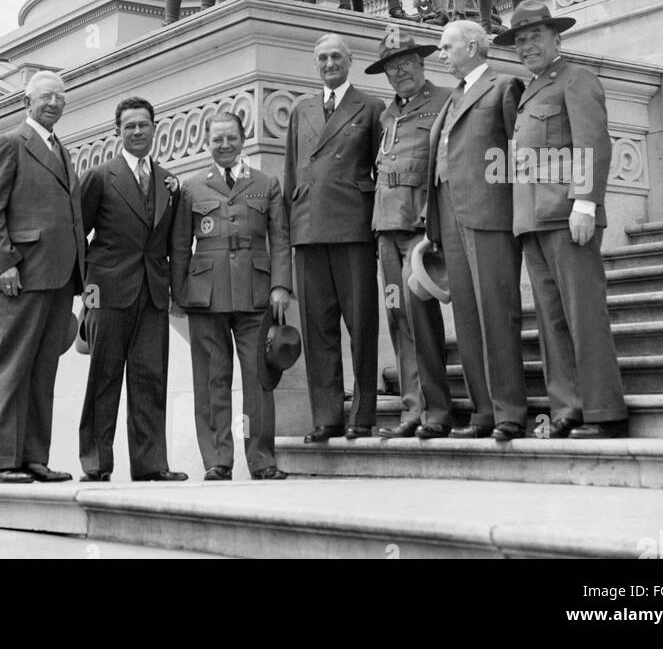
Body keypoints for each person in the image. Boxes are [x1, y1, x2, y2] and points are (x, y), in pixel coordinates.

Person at [496, 2, 628, 439]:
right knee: (552, 320)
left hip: (568, 216)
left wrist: (586, 203)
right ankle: (567, 407)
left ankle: (604, 412)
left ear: (557, 38)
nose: (527, 45)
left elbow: (593, 142)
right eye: (520, 39)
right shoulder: (531, 89)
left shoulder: (576, 78)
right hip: (533, 220)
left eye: (535, 36)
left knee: (583, 315)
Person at [171, 112, 292, 479]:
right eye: (217, 139)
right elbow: (179, 246)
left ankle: (261, 459)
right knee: (212, 380)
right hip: (205, 296)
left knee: (258, 380)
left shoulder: (265, 183)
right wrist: (178, 293)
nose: (224, 145)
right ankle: (217, 461)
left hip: (256, 294)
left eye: (231, 138)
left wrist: (281, 285)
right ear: (208, 143)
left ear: (243, 139)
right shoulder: (191, 188)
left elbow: (281, 238)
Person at [0, 70, 85, 483]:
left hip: (58, 279)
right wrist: (4, 263)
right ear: (28, 102)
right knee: (13, 369)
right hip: (19, 277)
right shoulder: (9, 144)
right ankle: (3, 462)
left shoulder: (60, 149)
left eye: (60, 96)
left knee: (43, 373)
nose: (54, 103)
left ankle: (34, 458)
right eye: (46, 97)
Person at [424, 21, 526, 441]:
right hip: (449, 214)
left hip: (490, 214)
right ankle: (483, 410)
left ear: (471, 46)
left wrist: (513, 210)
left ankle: (509, 412)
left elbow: (517, 155)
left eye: (447, 47)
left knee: (496, 313)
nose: (441, 54)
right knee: (466, 316)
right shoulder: (452, 98)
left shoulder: (504, 86)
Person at [78, 96, 187, 481]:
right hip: (107, 294)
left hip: (153, 294)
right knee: (103, 378)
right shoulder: (99, 177)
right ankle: (95, 463)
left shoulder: (169, 181)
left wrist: (176, 292)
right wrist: (87, 302)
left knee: (150, 380)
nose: (137, 131)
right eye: (130, 126)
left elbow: (175, 243)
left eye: (143, 124)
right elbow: (80, 240)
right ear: (118, 132)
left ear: (154, 128)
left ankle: (151, 465)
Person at [283, 33, 383, 440]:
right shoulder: (301, 109)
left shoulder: (372, 106)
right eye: (322, 57)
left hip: (353, 226)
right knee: (318, 328)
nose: (329, 64)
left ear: (350, 60)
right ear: (314, 63)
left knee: (360, 326)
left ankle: (362, 415)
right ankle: (326, 415)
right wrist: (293, 229)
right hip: (309, 230)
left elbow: (381, 168)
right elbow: (292, 173)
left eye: (336, 57)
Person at [365, 26, 453, 438]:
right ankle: (411, 409)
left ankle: (437, 409)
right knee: (397, 314)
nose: (399, 72)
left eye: (405, 63)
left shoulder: (445, 102)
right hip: (386, 231)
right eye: (391, 67)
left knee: (422, 317)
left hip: (419, 230)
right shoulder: (387, 114)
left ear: (421, 62)